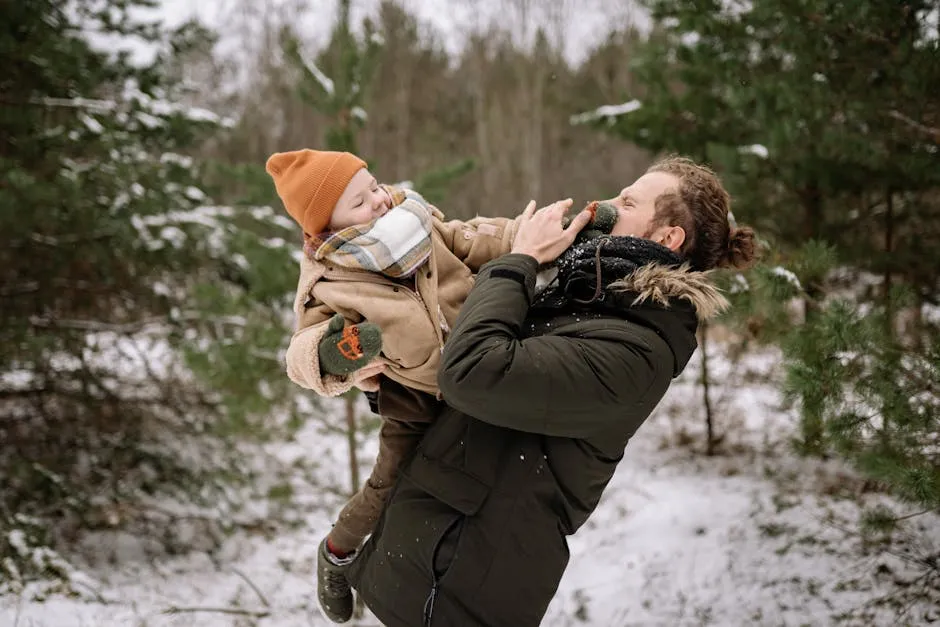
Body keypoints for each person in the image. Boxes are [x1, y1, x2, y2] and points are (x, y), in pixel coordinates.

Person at [345, 156, 759, 627]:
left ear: (666, 238)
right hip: (417, 559)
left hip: (459, 589)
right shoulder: (582, 294)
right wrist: (387, 386)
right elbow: (474, 407)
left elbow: (472, 373)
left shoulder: (637, 350)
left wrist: (517, 259)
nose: (602, 206)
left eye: (626, 202)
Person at [264, 148, 618, 622]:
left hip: (483, 360)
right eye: (359, 202)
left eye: (372, 186)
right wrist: (334, 354)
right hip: (415, 397)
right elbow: (300, 354)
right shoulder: (330, 279)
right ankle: (338, 553)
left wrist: (563, 229)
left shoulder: (418, 222)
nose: (378, 201)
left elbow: (480, 238)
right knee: (389, 487)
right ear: (327, 225)